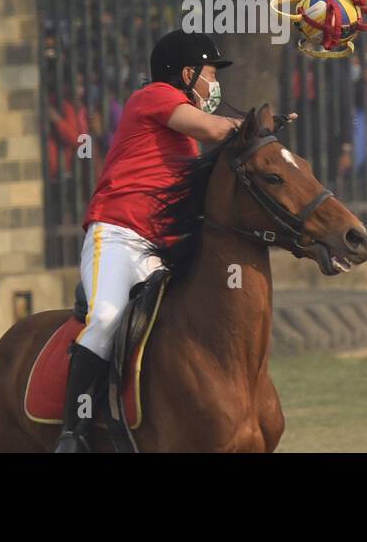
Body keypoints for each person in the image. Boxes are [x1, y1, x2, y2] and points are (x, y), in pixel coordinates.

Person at [55, 30, 245, 453]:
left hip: (158, 248)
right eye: (211, 73)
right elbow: (217, 130)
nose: (215, 85)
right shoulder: (153, 97)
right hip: (117, 236)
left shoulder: (184, 139)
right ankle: (72, 432)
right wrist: (255, 127)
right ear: (186, 73)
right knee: (105, 318)